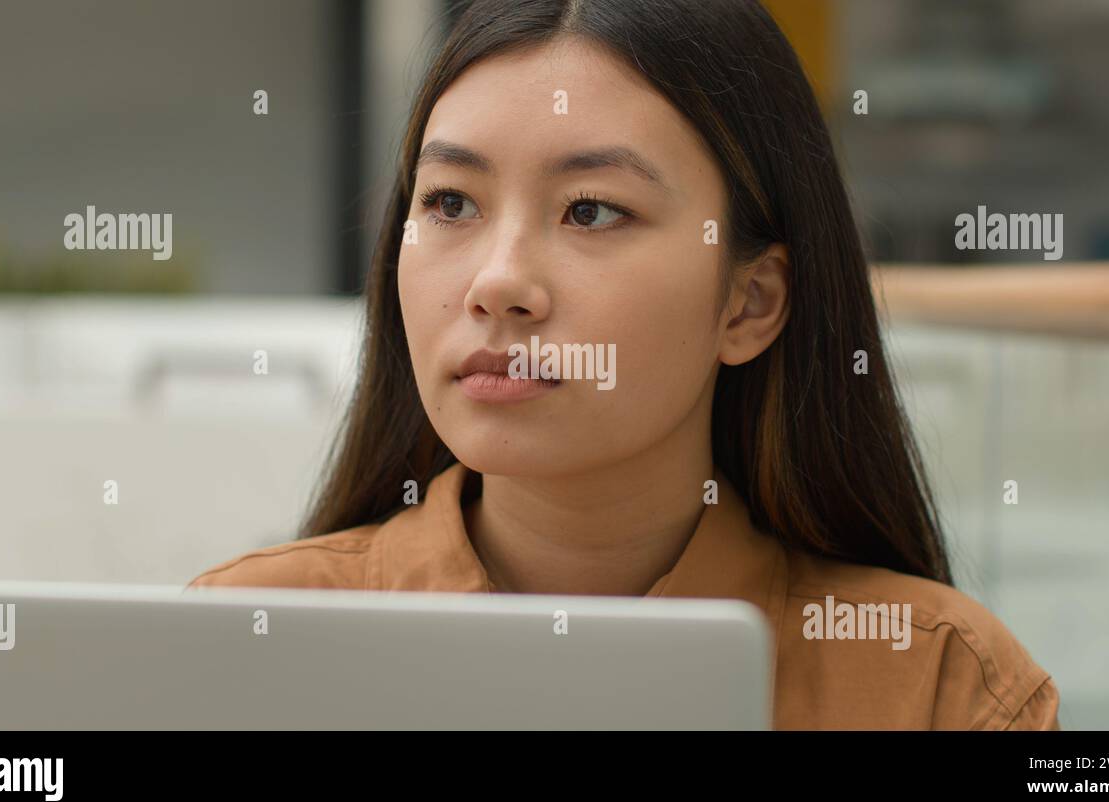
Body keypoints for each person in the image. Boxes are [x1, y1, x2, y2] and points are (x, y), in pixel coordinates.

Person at [190, 0, 1061, 730]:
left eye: (593, 210)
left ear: (749, 301)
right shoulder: (240, 641)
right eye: (451, 202)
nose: (498, 283)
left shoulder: (939, 689)